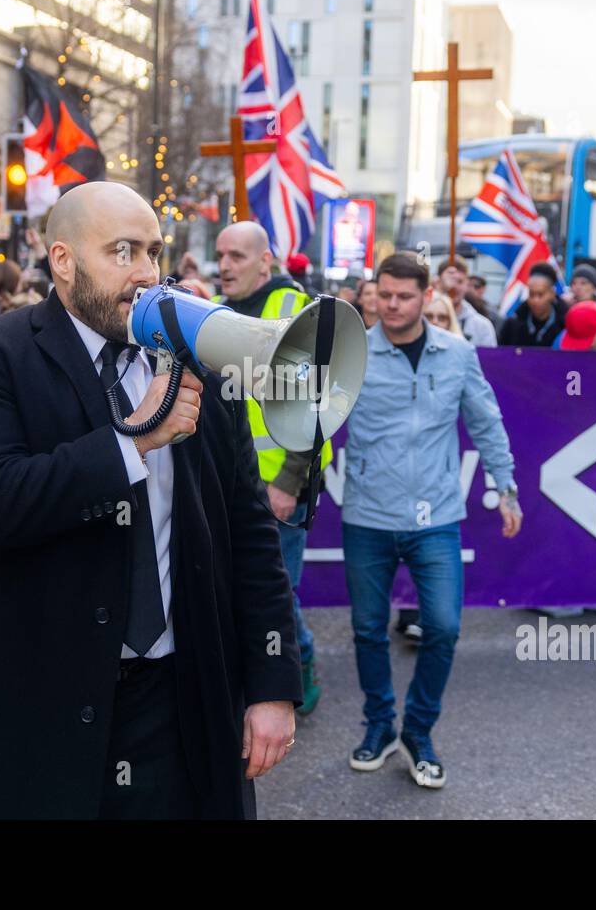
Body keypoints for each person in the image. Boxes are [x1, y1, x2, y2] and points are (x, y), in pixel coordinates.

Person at [0, 182, 300, 819]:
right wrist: (132, 440)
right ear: (64, 261)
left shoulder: (194, 359)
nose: (145, 274)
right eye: (122, 251)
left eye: (153, 252)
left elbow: (250, 535)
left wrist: (275, 686)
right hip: (43, 698)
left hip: (181, 697)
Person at [343, 251, 521, 788]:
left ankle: (418, 732)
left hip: (437, 516)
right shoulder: (352, 354)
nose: (392, 306)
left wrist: (505, 487)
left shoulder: (458, 353)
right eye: (385, 295)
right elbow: (315, 419)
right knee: (368, 629)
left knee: (443, 627)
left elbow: (486, 422)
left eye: (404, 296)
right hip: (368, 514)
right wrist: (292, 484)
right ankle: (379, 726)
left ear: (426, 297)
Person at [214, 220, 327, 715]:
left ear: (266, 261)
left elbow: (315, 405)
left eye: (237, 256)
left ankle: (299, 669)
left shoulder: (294, 311)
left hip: (279, 486)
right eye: (221, 255)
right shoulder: (217, 314)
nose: (224, 266)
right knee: (234, 585)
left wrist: (286, 483)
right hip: (229, 481)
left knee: (277, 590)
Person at [499, 263, 568, 348]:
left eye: (540, 294)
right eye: (531, 294)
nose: (535, 300)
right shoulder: (512, 324)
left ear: (552, 294)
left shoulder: (565, 325)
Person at [438, 257, 497, 346]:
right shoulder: (424, 322)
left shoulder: (482, 327)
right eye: (450, 280)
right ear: (439, 282)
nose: (454, 286)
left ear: (467, 284)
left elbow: (489, 359)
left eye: (460, 282)